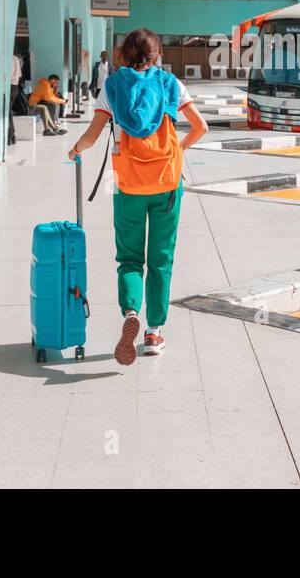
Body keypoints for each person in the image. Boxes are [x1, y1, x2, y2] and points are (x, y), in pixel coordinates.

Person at [68, 28, 207, 364]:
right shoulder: (171, 84)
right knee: (161, 260)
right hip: (167, 183)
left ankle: (131, 311)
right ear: (155, 54)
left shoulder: (113, 86)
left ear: (124, 54)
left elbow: (91, 134)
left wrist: (75, 150)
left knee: (130, 258)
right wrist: (177, 150)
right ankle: (154, 332)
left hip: (128, 185)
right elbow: (201, 127)